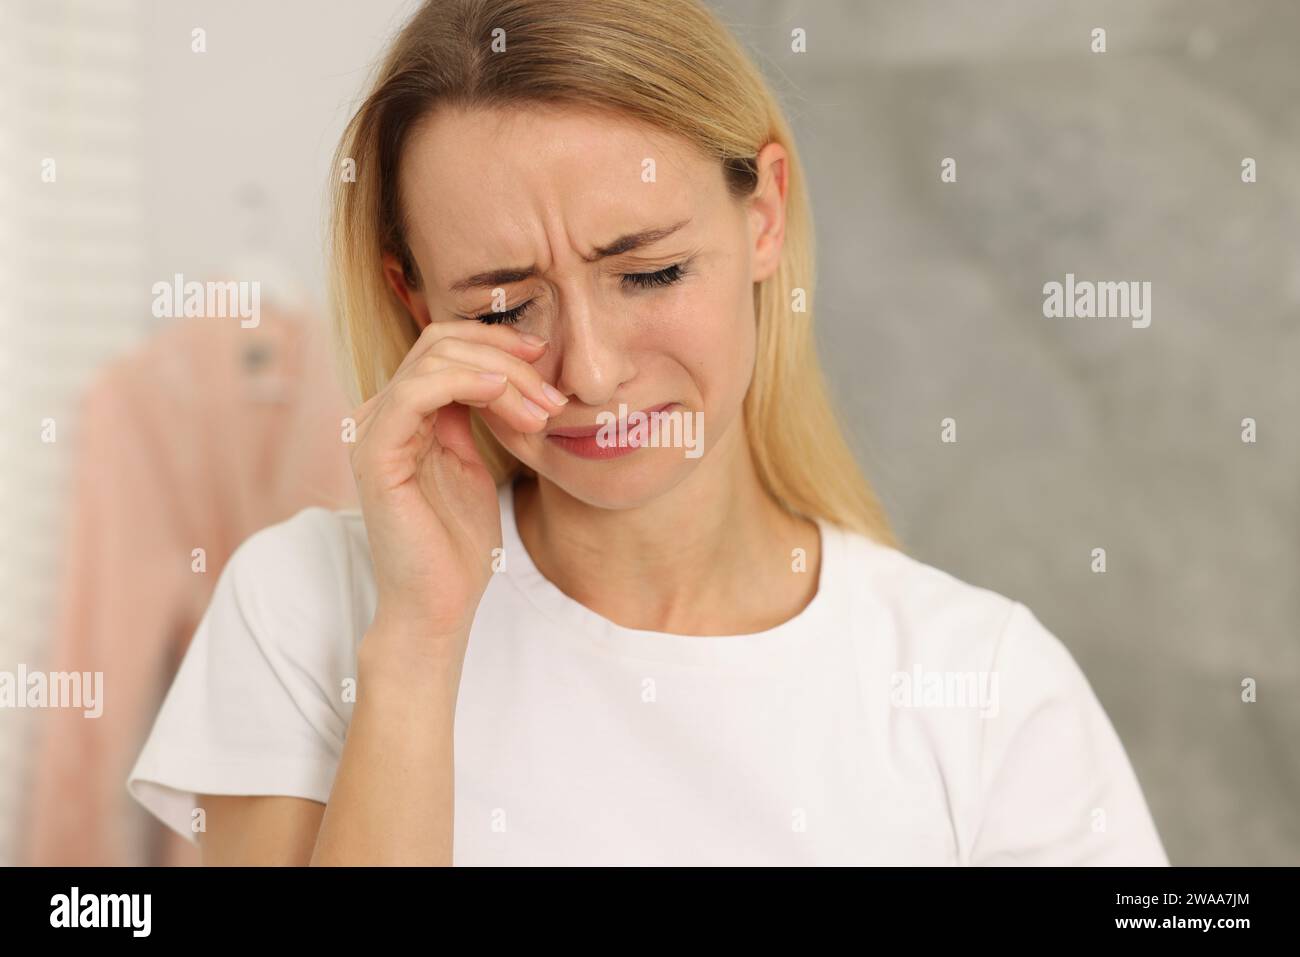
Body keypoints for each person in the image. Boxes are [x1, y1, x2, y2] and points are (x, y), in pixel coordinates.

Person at [127, 0, 1168, 866]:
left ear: (761, 217)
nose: (591, 370)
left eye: (650, 272)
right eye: (501, 307)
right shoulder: (306, 610)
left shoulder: (981, 686)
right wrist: (416, 646)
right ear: (413, 301)